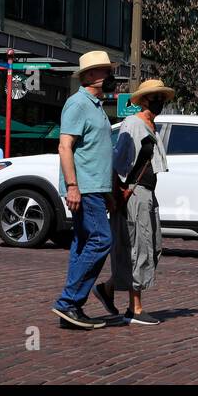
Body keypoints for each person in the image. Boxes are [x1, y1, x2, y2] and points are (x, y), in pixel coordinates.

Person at [94, 79, 173, 327]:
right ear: (145, 100)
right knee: (138, 247)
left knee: (153, 245)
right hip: (134, 193)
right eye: (154, 97)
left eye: (161, 97)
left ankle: (108, 288)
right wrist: (116, 194)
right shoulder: (134, 124)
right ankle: (134, 308)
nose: (159, 102)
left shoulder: (152, 126)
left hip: (148, 194)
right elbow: (119, 162)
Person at [51, 50, 119, 330]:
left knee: (82, 243)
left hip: (95, 188)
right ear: (90, 76)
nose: (109, 76)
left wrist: (108, 193)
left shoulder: (96, 106)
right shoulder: (77, 104)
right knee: (101, 240)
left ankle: (72, 310)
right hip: (84, 187)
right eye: (103, 71)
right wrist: (72, 186)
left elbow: (96, 152)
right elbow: (64, 147)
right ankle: (68, 302)